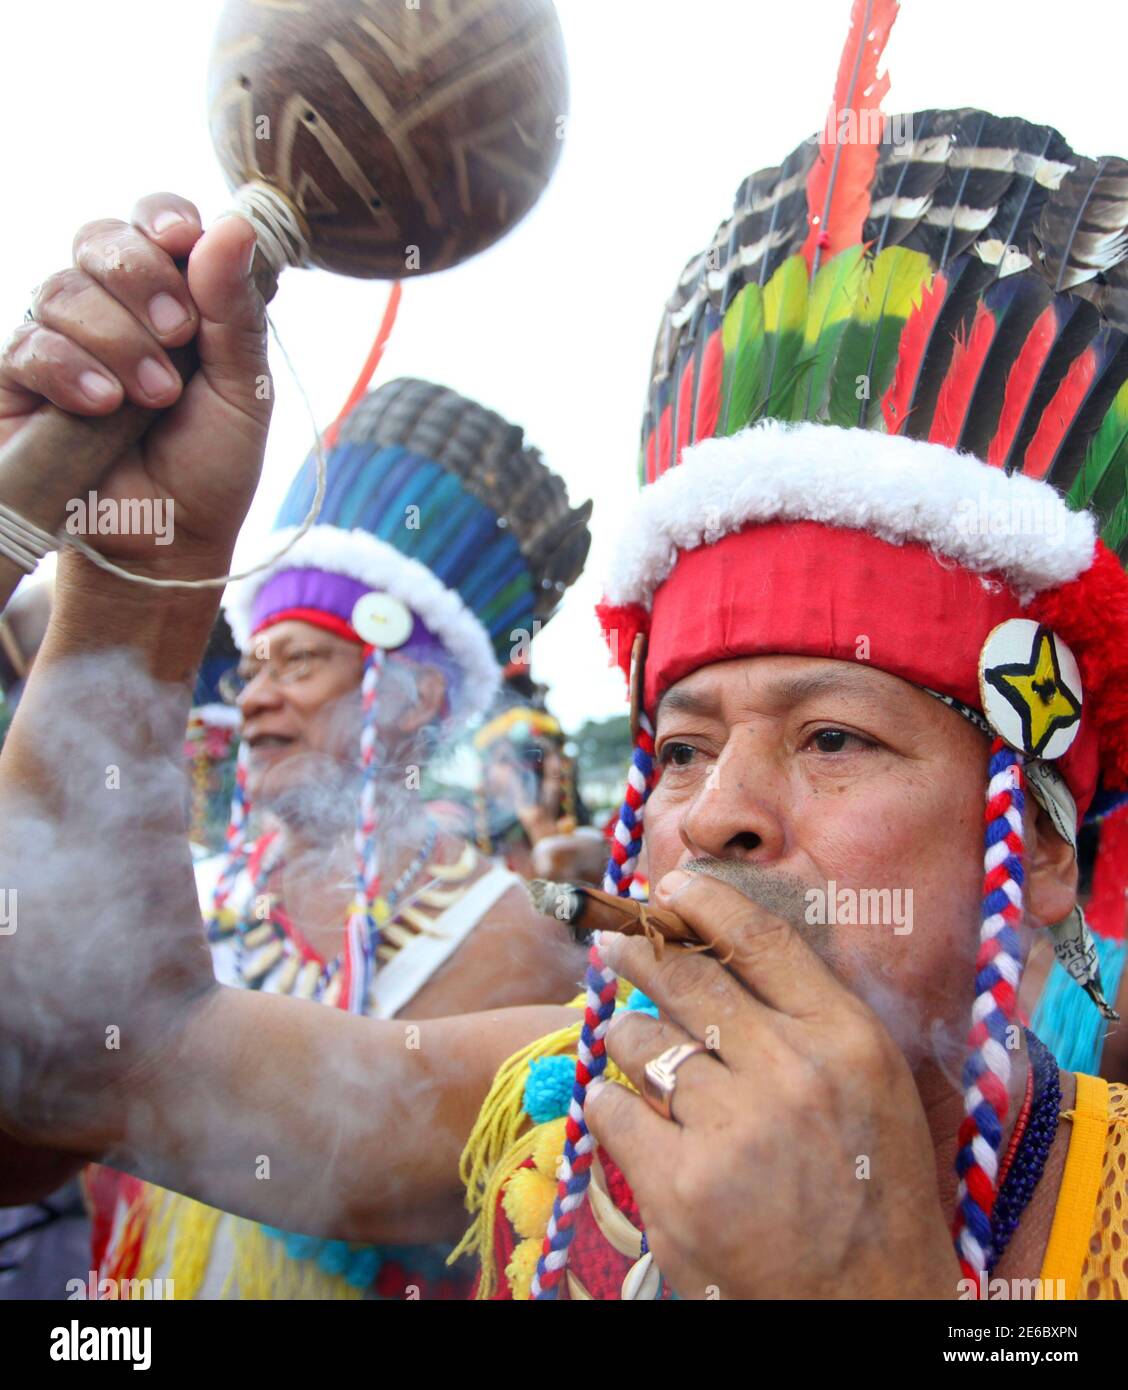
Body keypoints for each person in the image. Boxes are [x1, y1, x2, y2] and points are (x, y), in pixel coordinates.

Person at [3, 3, 1128, 1302]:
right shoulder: (562, 1098)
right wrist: (146, 564)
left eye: (833, 736)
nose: (714, 816)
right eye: (686, 745)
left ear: (1040, 847)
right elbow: (84, 1061)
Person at [82, 374, 592, 1298]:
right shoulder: (193, 892)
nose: (260, 695)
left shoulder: (504, 932)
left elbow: (410, 1192)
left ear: (415, 699)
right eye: (255, 668)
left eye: (303, 660)